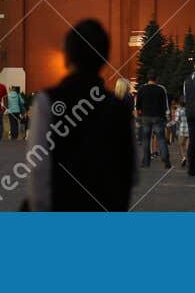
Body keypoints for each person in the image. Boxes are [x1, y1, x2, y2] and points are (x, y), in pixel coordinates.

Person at [26, 19, 135, 210]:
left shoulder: (47, 101)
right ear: (105, 58)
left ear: (67, 57)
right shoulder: (119, 108)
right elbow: (129, 172)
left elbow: (38, 169)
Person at [135, 74, 171, 169]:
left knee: (146, 139)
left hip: (145, 116)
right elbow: (164, 105)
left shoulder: (142, 89)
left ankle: (146, 161)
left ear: (148, 78)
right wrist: (165, 116)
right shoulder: (160, 89)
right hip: (158, 116)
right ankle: (165, 159)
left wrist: (139, 115)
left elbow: (137, 105)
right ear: (156, 78)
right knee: (161, 138)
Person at [170, 96, 188, 166]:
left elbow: (176, 121)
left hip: (182, 129)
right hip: (189, 129)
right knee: (187, 145)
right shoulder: (189, 109)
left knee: (180, 144)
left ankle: (183, 157)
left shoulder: (179, 110)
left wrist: (168, 124)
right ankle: (187, 157)